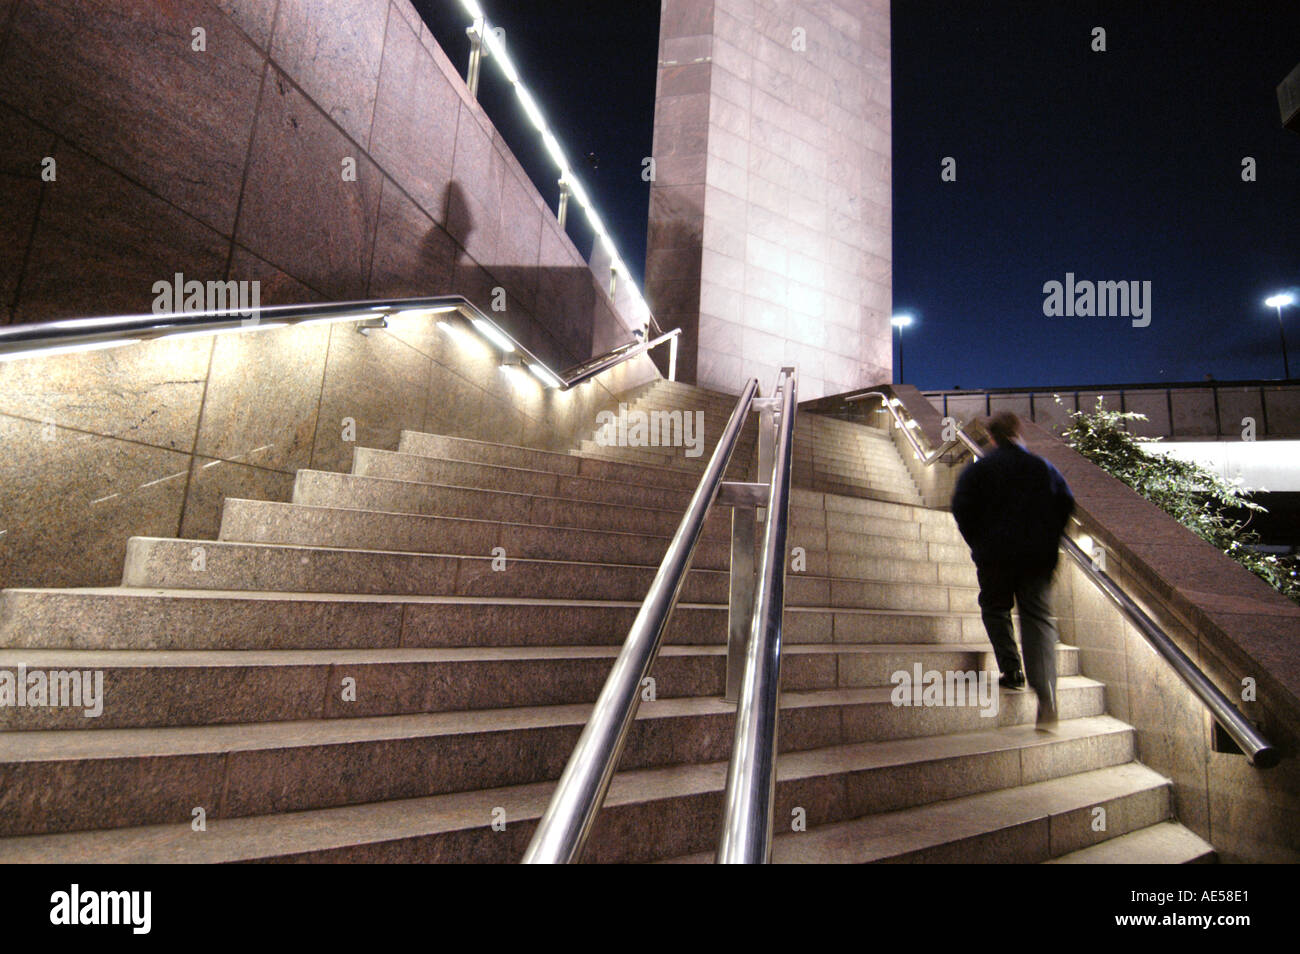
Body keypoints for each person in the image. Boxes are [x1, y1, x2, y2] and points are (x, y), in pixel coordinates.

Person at [951, 412, 1075, 727]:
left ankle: (1012, 670)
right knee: (1038, 621)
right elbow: (1065, 503)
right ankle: (1046, 698)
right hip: (1036, 559)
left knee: (994, 608)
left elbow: (961, 508)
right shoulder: (1041, 468)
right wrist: (1049, 543)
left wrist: (978, 543)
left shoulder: (979, 471)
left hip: (994, 558)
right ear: (1018, 432)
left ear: (992, 437)